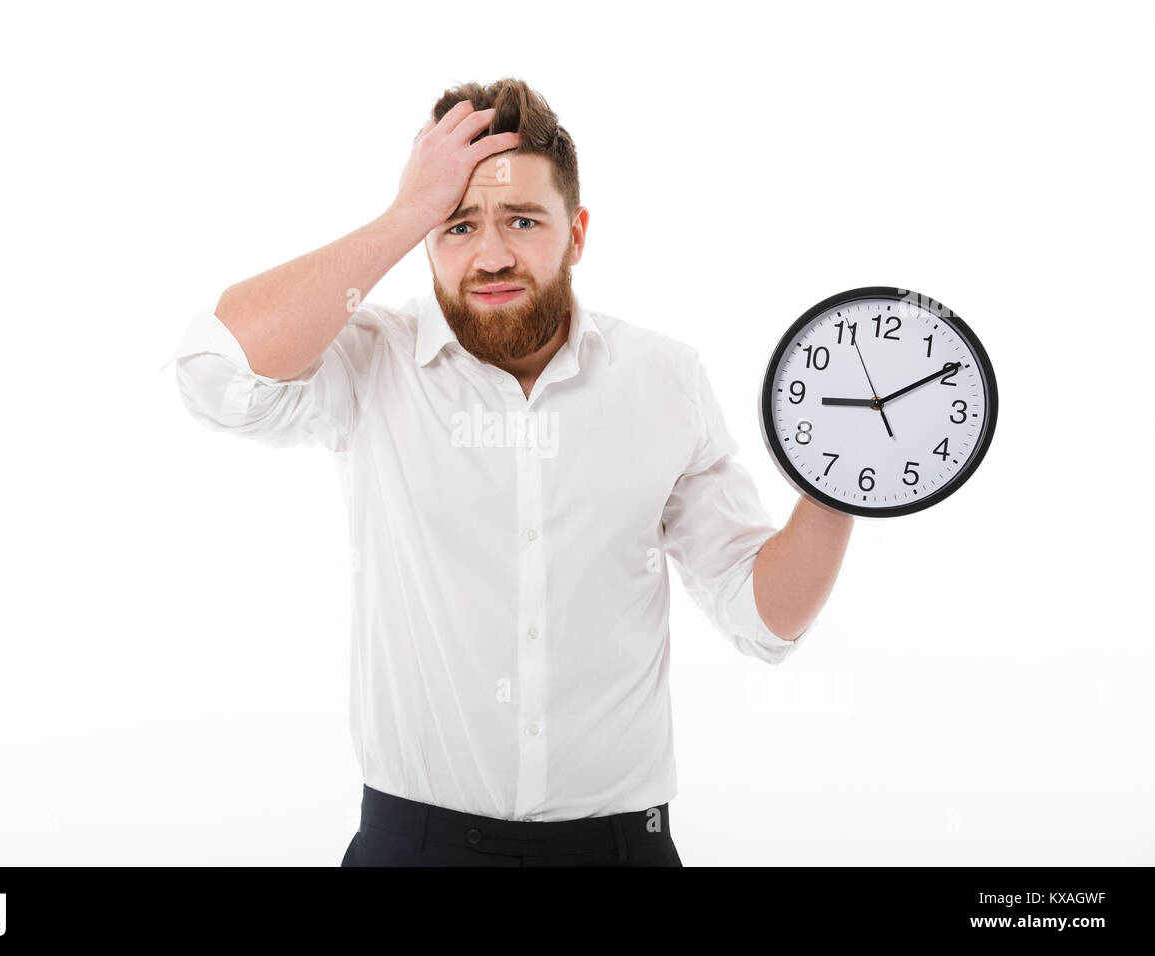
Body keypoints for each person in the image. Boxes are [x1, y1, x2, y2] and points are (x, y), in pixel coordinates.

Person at [161, 77, 854, 866]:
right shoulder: (371, 363)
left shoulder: (664, 378)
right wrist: (406, 212)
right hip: (411, 846)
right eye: (457, 226)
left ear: (578, 233)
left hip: (620, 849)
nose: (490, 255)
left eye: (523, 220)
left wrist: (839, 483)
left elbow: (763, 618)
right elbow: (214, 375)